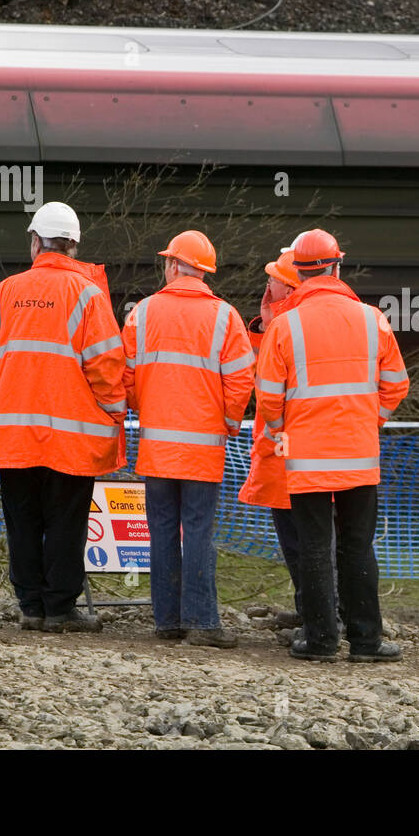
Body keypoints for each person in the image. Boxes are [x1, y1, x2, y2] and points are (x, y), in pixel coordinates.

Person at [0, 201, 126, 634]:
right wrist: (113, 415)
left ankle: (31, 605)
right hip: (71, 439)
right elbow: (107, 365)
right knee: (66, 521)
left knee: (23, 520)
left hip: (12, 438)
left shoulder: (4, 293)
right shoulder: (89, 295)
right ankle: (59, 609)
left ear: (36, 242)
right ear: (73, 245)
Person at [256, 228, 409, 663]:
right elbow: (396, 385)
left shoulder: (285, 325)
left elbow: (267, 397)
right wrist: (368, 419)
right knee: (357, 546)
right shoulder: (372, 318)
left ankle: (320, 640)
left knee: (314, 546)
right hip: (358, 456)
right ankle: (366, 641)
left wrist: (287, 427)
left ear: (299, 273)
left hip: (304, 459)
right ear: (337, 266)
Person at [122, 230, 254, 647]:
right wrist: (229, 422)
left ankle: (168, 621)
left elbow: (124, 376)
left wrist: (146, 406)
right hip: (202, 449)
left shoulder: (141, 313)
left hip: (157, 447)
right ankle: (202, 622)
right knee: (197, 531)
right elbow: (241, 381)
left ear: (175, 266)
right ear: (204, 272)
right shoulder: (226, 317)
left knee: (160, 531)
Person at [239, 248, 307, 629]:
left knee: (304, 540)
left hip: (289, 452)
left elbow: (265, 388)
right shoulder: (278, 323)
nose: (268, 283)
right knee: (301, 539)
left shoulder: (289, 324)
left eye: (274, 277)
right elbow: (256, 371)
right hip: (290, 451)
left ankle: (319, 613)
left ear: (291, 285)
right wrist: (263, 324)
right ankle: (315, 608)